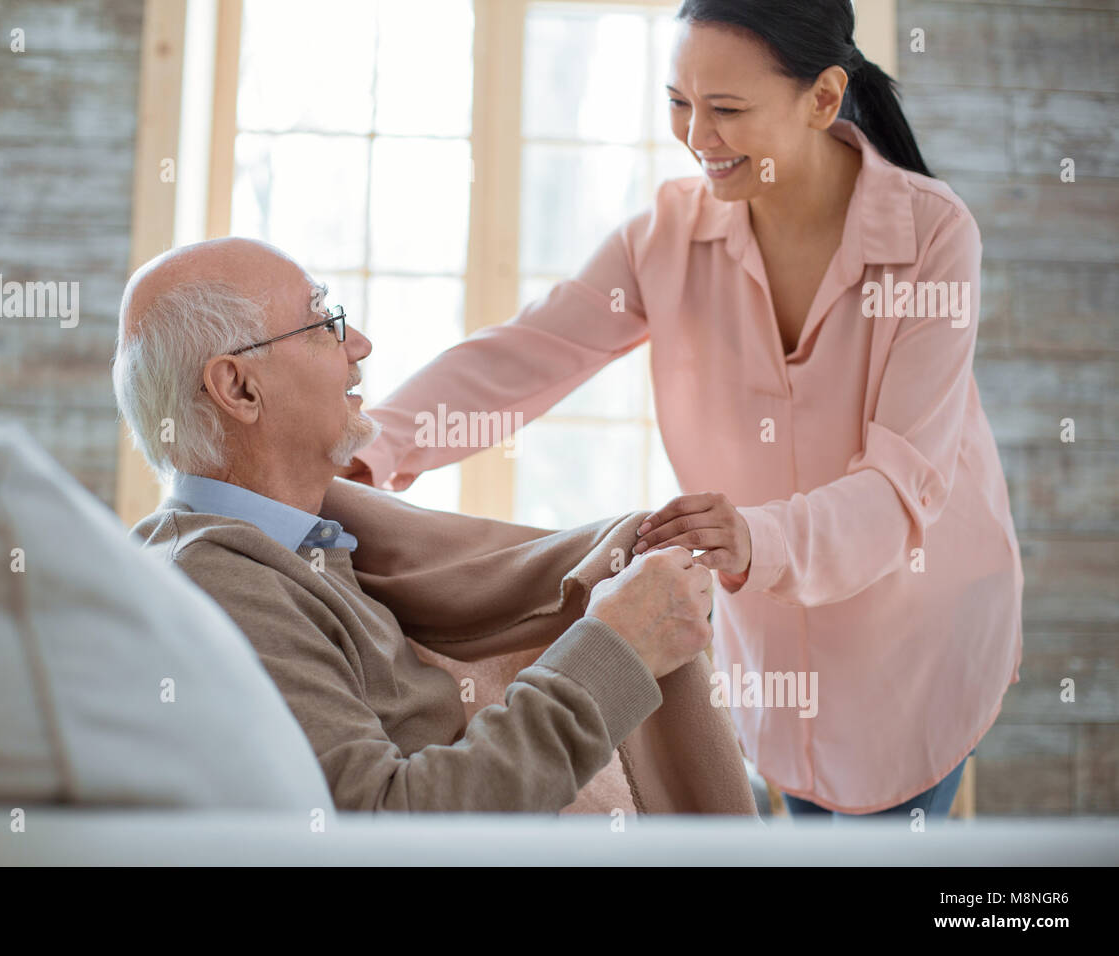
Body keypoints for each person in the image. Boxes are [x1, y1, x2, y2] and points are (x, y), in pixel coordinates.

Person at [339, 0, 1023, 821]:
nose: (698, 135)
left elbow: (899, 486)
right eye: (678, 102)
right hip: (772, 642)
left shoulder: (934, 236)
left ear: (824, 98)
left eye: (728, 109)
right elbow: (523, 357)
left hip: (917, 633)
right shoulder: (666, 236)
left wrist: (755, 536)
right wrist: (363, 448)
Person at [109, 236, 757, 815]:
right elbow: (391, 827)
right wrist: (619, 650)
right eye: (322, 324)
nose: (358, 345)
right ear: (239, 389)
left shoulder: (304, 547)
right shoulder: (220, 585)